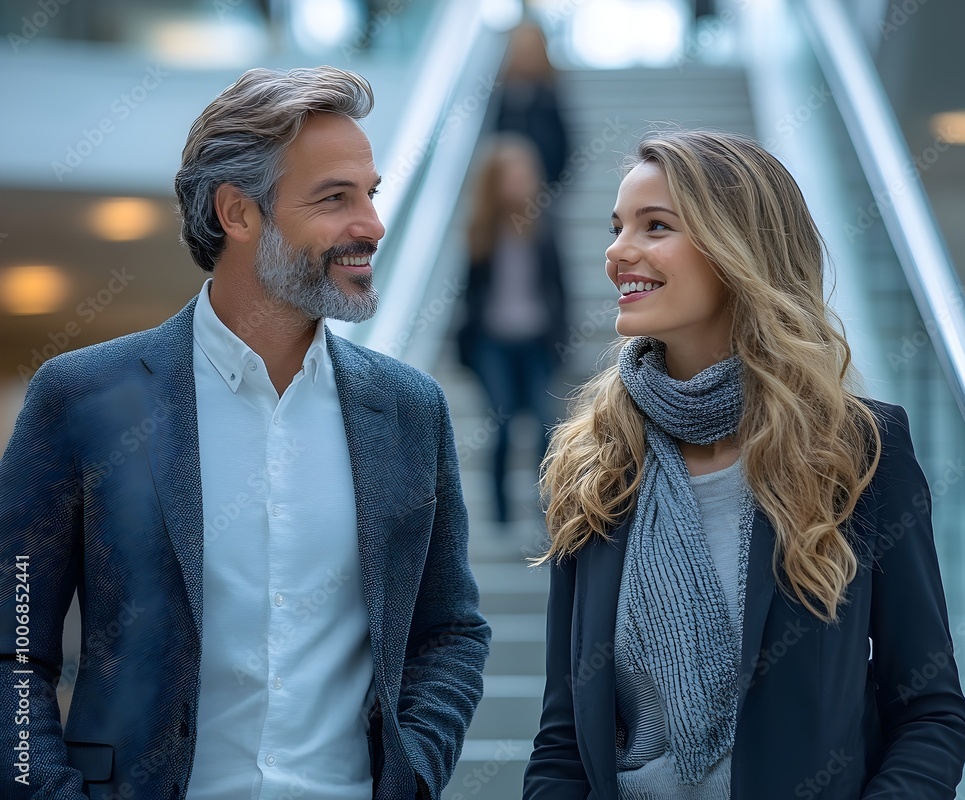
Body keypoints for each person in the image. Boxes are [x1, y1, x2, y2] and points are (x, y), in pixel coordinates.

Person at [0, 66, 490, 800]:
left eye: (371, 194)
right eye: (335, 198)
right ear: (237, 212)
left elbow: (450, 630)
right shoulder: (85, 396)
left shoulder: (410, 409)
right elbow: (14, 639)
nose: (372, 225)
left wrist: (413, 769)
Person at [522, 130, 965, 798]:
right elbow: (564, 740)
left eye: (656, 226)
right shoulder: (595, 466)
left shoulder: (854, 451)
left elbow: (929, 711)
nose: (618, 252)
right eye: (618, 228)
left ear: (739, 249)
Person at [457, 134, 568, 526]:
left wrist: (561, 341)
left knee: (543, 423)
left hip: (536, 340)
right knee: (501, 426)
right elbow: (466, 296)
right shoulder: (481, 230)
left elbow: (560, 288)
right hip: (493, 342)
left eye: (523, 174)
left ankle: (547, 511)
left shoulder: (544, 226)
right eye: (509, 175)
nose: (518, 182)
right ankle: (501, 517)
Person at [491, 22, 569, 187]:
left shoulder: (549, 97)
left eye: (532, 48)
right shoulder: (500, 95)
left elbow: (559, 143)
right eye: (522, 48)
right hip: (505, 178)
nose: (527, 54)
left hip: (542, 178)